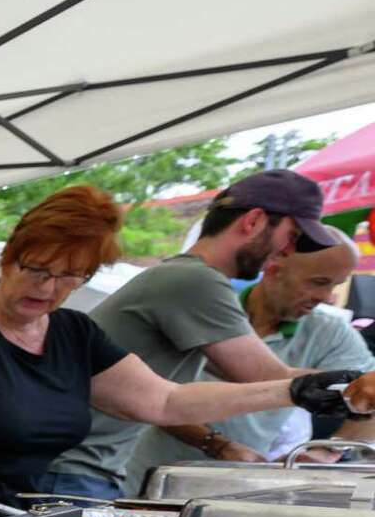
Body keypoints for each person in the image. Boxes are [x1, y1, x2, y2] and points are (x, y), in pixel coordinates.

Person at [0, 187, 364, 517]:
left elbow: (167, 401)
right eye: (37, 270)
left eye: (70, 277)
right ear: (9, 257)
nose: (47, 289)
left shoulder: (74, 334)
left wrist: (292, 391)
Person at [43, 169, 359, 497]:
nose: (288, 251)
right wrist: (360, 386)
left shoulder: (184, 276)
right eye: (291, 237)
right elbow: (267, 377)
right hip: (72, 468)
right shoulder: (197, 282)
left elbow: (209, 390)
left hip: (81, 465)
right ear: (253, 221)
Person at [123, 227, 370, 485]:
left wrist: (327, 451)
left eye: (336, 285)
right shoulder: (202, 305)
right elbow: (149, 396)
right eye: (318, 282)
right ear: (273, 270)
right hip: (150, 474)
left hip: (237, 485)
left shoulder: (330, 333)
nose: (327, 297)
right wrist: (217, 444)